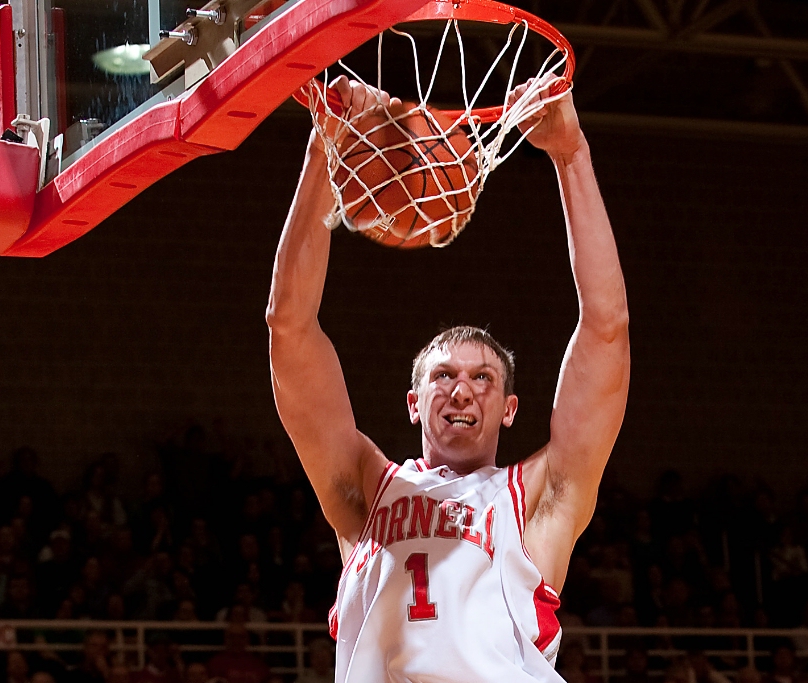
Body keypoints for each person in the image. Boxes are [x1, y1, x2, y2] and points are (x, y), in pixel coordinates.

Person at [266, 74, 630, 681]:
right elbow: (288, 327)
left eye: (483, 378)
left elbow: (606, 328)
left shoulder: (536, 501)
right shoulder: (367, 491)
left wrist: (572, 156)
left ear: (509, 408)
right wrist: (323, 149)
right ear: (414, 403)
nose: (461, 389)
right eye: (443, 376)